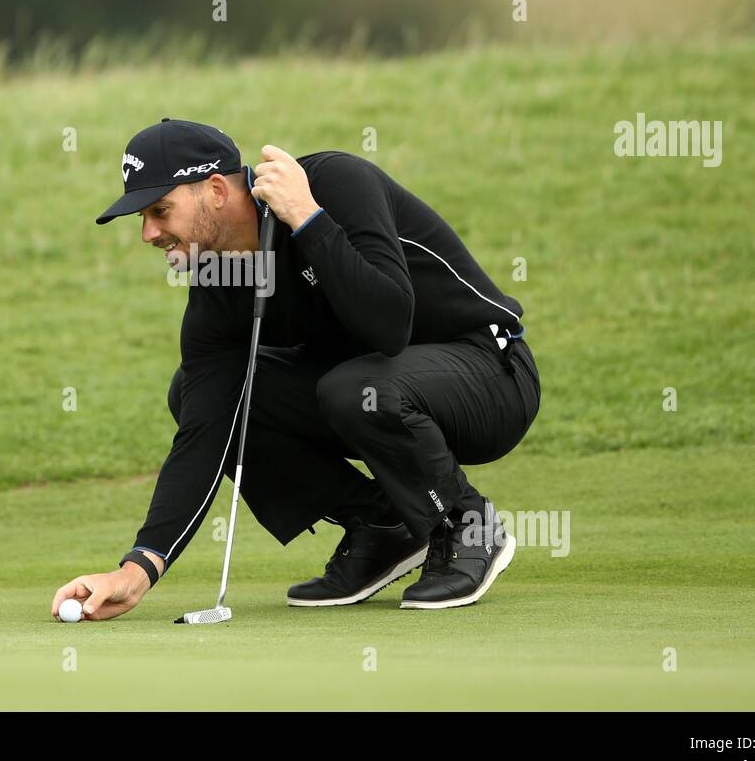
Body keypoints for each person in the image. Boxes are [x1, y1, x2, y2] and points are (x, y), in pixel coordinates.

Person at [51, 118, 540, 621]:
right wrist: (138, 568)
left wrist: (309, 220)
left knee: (356, 386)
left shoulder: (334, 185)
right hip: (372, 393)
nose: (149, 232)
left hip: (490, 374)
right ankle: (385, 525)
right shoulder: (218, 278)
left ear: (216, 190)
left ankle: (465, 523)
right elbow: (204, 429)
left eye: (160, 211)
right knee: (199, 392)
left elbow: (390, 325)